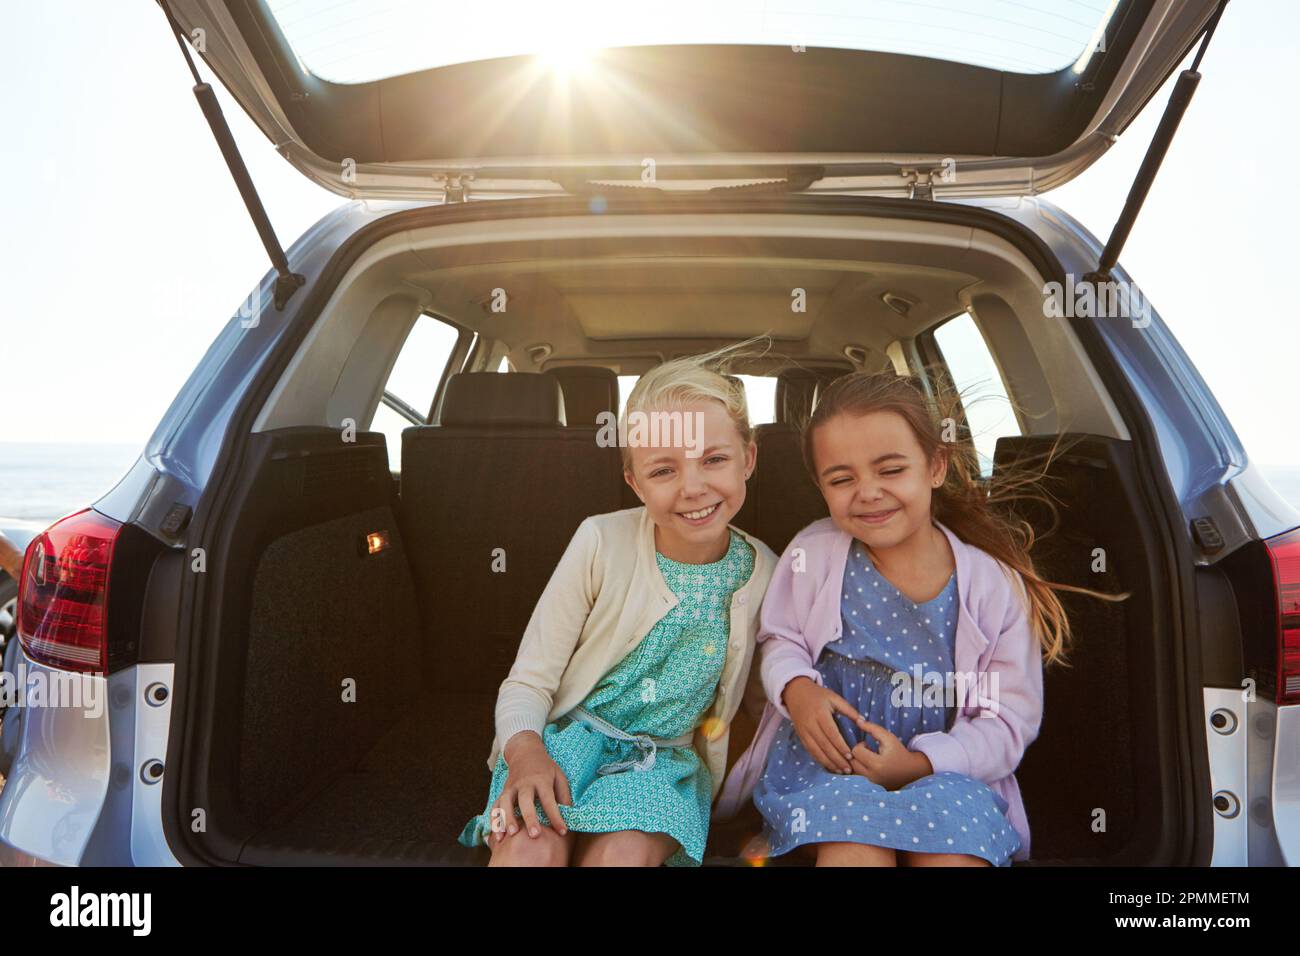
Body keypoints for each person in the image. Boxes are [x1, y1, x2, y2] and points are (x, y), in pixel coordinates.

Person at [715, 370, 1128, 866]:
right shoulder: (814, 553)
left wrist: (920, 764)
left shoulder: (992, 583)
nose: (867, 492)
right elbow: (780, 638)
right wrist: (797, 690)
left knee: (953, 856)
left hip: (950, 772)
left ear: (936, 465)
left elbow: (1007, 721)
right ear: (820, 486)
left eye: (890, 470)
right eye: (841, 479)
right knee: (854, 851)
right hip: (830, 766)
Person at [458, 343, 778, 866]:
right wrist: (525, 754)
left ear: (749, 458)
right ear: (634, 483)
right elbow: (529, 679)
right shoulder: (599, 542)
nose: (693, 488)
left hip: (662, 765)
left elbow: (765, 705)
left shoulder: (765, 571)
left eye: (714, 460)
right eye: (663, 471)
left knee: (622, 858)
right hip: (561, 742)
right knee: (527, 849)